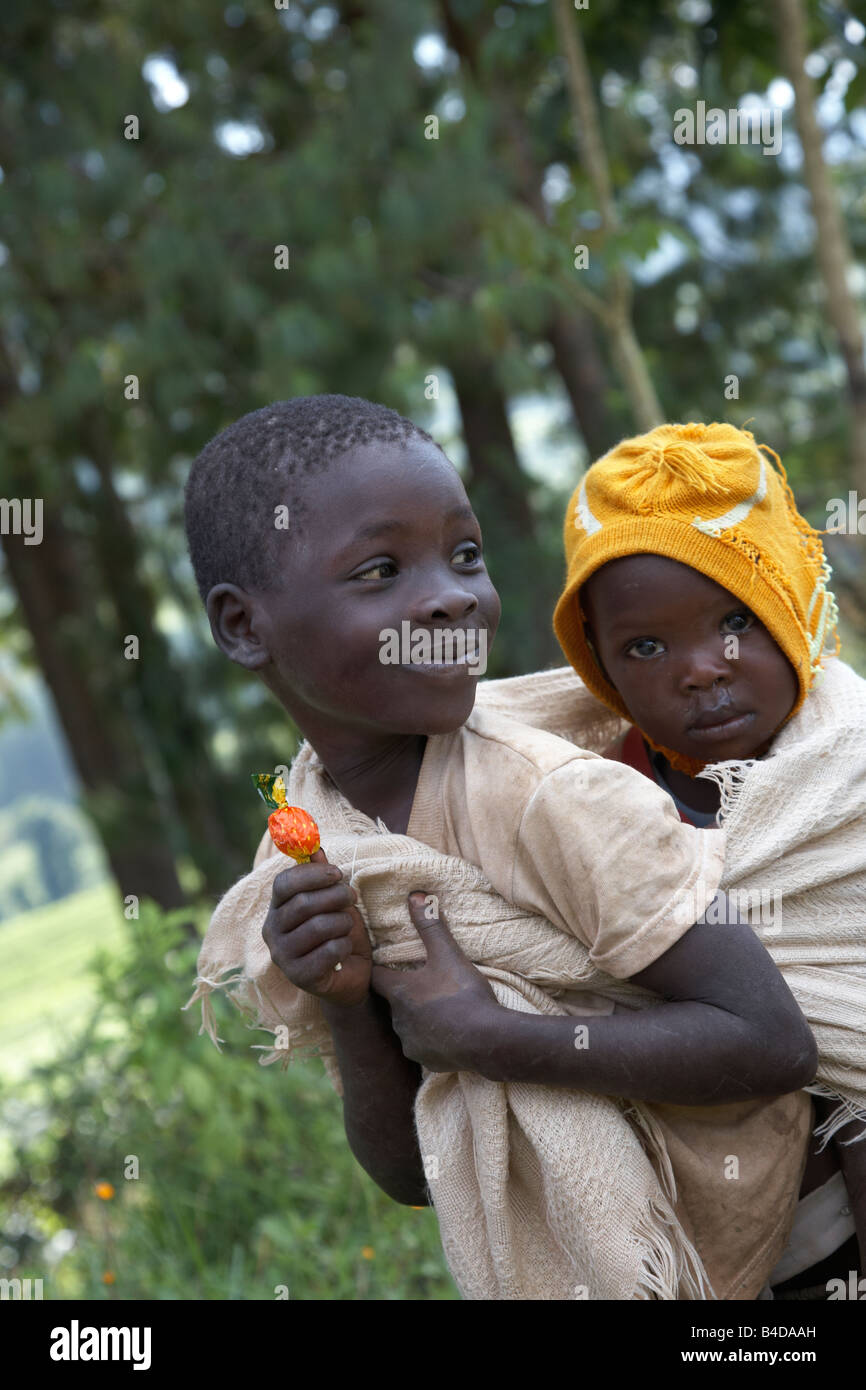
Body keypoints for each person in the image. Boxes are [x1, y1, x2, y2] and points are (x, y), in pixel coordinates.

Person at [184, 396, 818, 1300]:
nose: (450, 594)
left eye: (465, 554)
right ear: (246, 627)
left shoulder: (550, 797)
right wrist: (351, 1001)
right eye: (380, 570)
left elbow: (770, 1041)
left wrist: (492, 1037)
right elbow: (414, 1173)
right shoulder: (319, 843)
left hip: (790, 1254)